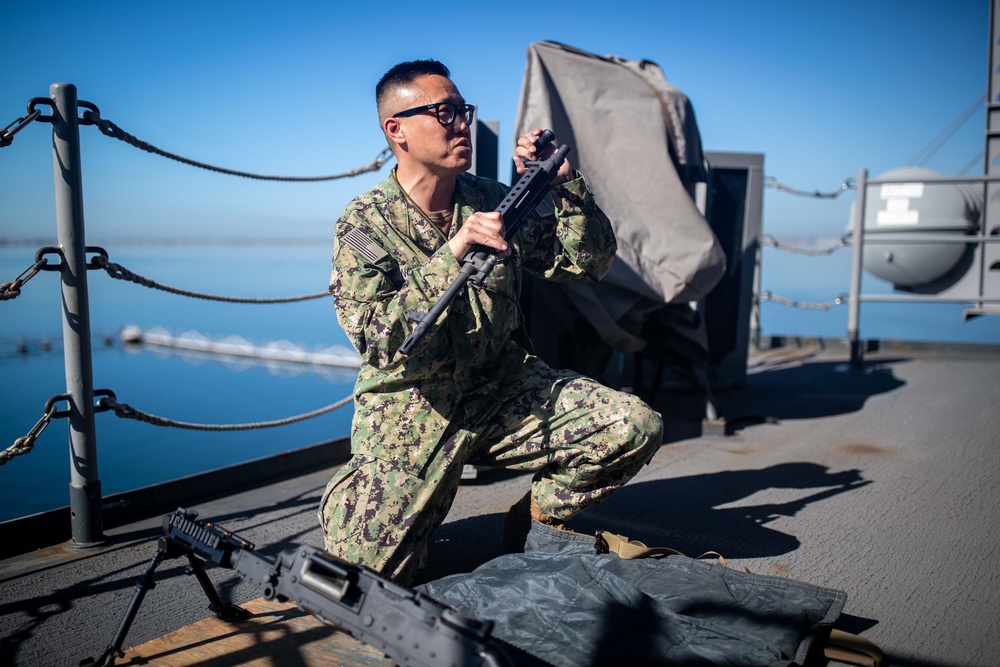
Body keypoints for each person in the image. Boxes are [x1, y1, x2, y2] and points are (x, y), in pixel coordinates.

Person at [319, 59, 663, 585]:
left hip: (502, 386)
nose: (462, 124)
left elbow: (586, 263)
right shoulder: (364, 224)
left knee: (633, 427)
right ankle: (374, 498)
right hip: (415, 403)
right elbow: (379, 341)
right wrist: (452, 253)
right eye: (444, 112)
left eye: (464, 110)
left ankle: (535, 520)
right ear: (397, 130)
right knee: (364, 575)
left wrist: (563, 187)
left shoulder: (490, 199)